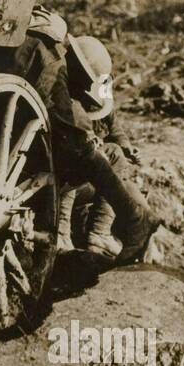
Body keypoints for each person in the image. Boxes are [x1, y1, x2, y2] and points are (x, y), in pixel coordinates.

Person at [11, 10, 158, 265]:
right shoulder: (55, 69)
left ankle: (107, 229)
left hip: (15, 153)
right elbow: (71, 141)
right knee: (82, 155)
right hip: (31, 169)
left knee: (98, 154)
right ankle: (132, 220)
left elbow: (112, 129)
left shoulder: (34, 46)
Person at [55, 35, 142, 258]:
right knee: (79, 166)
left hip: (86, 170)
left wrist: (126, 146)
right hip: (70, 173)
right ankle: (66, 232)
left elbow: (116, 128)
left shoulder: (100, 95)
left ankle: (98, 230)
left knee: (115, 158)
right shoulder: (71, 105)